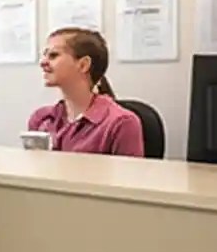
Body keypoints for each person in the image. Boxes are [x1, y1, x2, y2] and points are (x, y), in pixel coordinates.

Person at [28, 27, 144, 157]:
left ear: (83, 65)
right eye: (44, 55)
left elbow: (127, 176)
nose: (43, 62)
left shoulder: (121, 124)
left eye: (53, 55)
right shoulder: (41, 119)